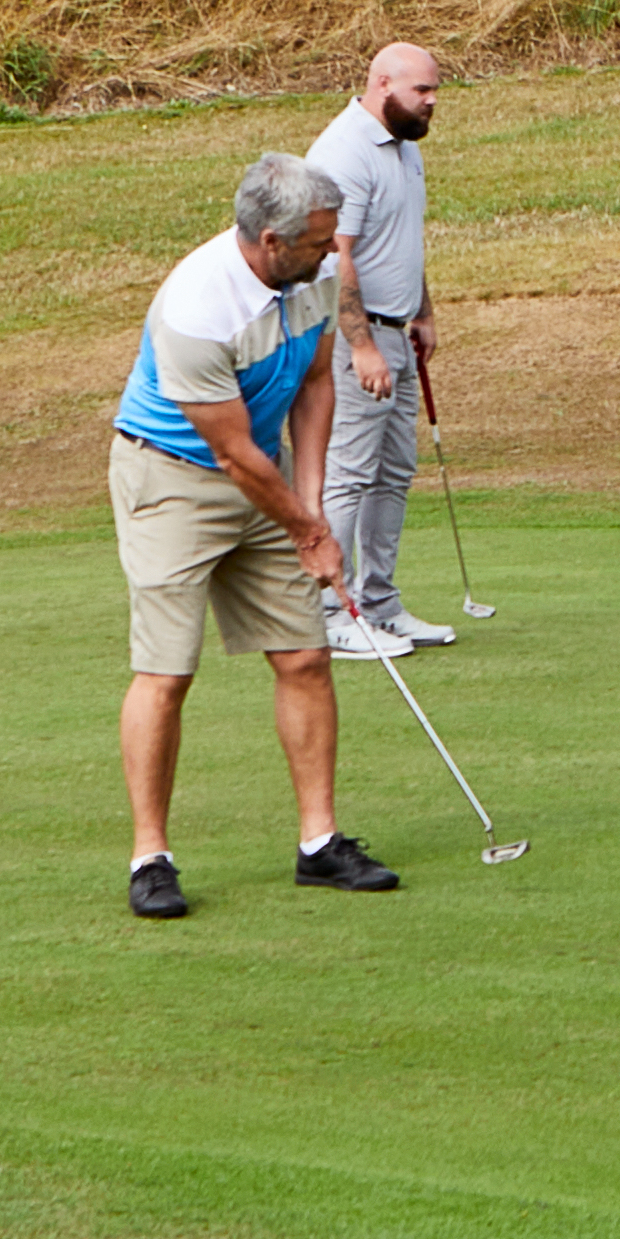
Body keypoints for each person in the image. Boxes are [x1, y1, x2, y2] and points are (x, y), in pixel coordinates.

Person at [109, 150, 404, 914]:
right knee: (167, 672)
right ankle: (151, 858)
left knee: (305, 656)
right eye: (317, 240)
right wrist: (305, 527)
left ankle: (319, 845)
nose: (332, 250)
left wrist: (314, 514)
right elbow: (231, 454)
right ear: (270, 242)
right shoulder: (197, 309)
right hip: (172, 479)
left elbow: (313, 386)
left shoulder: (313, 275)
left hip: (266, 477)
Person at [304, 41, 480, 659]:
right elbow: (336, 255)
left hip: (396, 331)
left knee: (393, 469)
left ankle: (378, 603)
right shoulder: (343, 153)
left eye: (435, 92)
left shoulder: (404, 147)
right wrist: (361, 346)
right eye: (422, 92)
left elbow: (404, 239)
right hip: (358, 338)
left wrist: (422, 310)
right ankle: (330, 610)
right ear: (382, 84)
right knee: (348, 473)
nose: (432, 103)